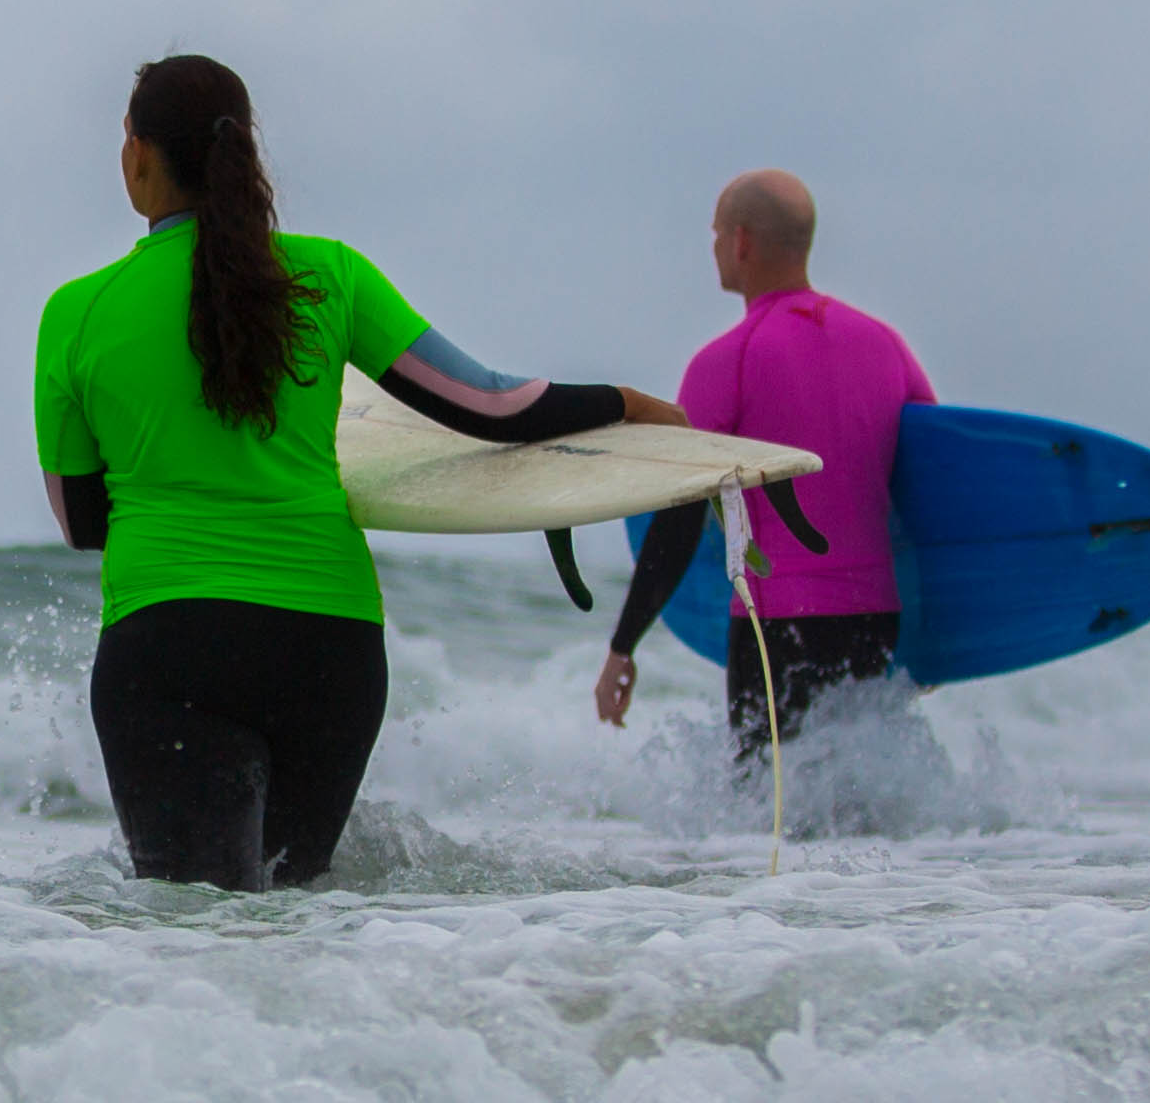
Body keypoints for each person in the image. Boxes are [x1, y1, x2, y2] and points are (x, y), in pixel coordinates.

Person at [37, 53, 687, 888]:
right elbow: (487, 405)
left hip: (171, 649)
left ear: (136, 156)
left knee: (192, 930)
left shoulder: (76, 310)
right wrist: (628, 404)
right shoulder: (330, 276)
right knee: (295, 920)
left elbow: (83, 525)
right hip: (326, 651)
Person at [595, 170, 933, 754]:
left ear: (741, 241)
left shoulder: (727, 361)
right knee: (860, 805)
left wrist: (623, 646)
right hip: (879, 618)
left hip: (778, 624)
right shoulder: (886, 344)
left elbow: (679, 519)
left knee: (765, 808)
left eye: (716, 234)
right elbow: (928, 478)